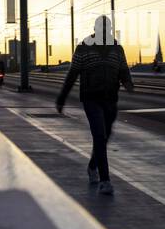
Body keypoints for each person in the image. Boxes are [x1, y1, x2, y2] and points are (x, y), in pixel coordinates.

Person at [55, 15, 133, 195]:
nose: (105, 31)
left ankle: (92, 166)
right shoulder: (83, 48)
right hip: (91, 98)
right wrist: (62, 97)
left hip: (110, 99)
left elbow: (123, 70)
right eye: (102, 28)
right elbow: (73, 73)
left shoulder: (117, 48)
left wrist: (128, 83)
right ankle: (105, 180)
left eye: (108, 28)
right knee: (99, 135)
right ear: (95, 29)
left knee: (104, 137)